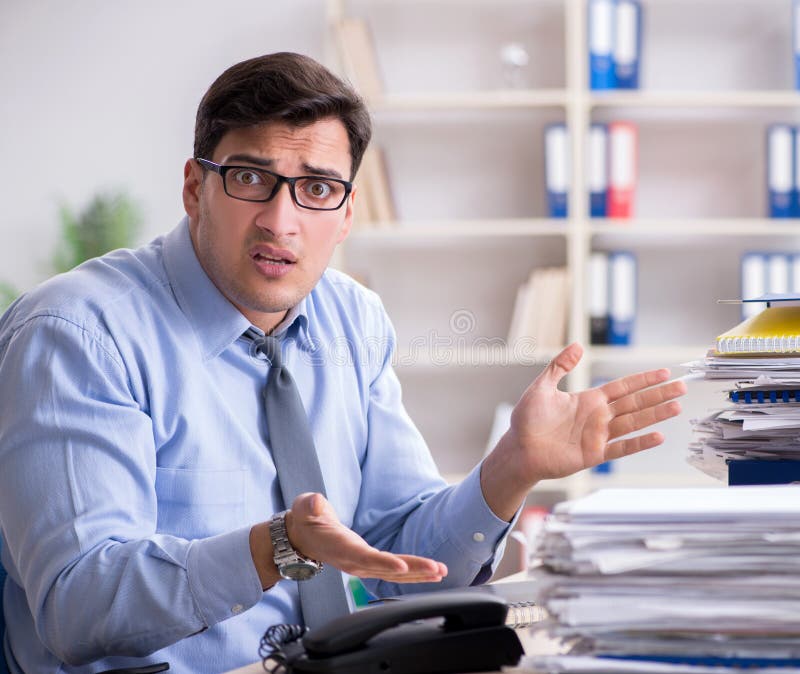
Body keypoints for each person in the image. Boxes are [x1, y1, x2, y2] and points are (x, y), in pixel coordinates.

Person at [0, 52, 686, 673]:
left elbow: (401, 561)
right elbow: (78, 605)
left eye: (317, 189)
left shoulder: (351, 318)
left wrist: (513, 467)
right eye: (250, 178)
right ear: (194, 188)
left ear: (348, 210)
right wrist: (276, 547)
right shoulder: (76, 334)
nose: (280, 221)